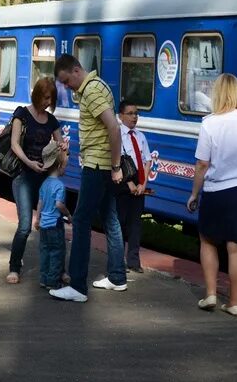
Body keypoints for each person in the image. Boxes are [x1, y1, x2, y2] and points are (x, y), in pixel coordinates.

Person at [187, 73, 237, 316]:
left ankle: (211, 293)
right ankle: (234, 303)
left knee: (208, 240)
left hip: (216, 190)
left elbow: (202, 164)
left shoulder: (210, 123)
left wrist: (194, 194)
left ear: (218, 94)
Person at [50, 54, 126, 302]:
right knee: (110, 218)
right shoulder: (98, 85)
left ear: (75, 70)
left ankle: (78, 286)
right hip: (102, 164)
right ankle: (117, 276)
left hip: (97, 164)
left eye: (66, 80)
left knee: (81, 221)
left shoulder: (92, 91)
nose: (65, 86)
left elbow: (113, 128)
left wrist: (116, 166)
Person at [5, 76, 64, 284]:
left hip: (44, 178)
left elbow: (61, 146)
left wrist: (63, 150)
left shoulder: (52, 121)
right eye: (46, 98)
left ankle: (58, 269)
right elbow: (14, 144)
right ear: (37, 95)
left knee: (53, 225)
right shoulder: (22, 113)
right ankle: (14, 267)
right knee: (24, 226)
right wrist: (29, 163)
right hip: (23, 175)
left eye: (51, 99)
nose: (48, 102)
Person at [116, 101, 152, 273]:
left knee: (135, 224)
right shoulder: (117, 135)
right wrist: (128, 183)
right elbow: (117, 161)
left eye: (136, 113)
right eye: (130, 113)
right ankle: (118, 260)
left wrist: (142, 183)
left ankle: (134, 261)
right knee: (121, 222)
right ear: (120, 116)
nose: (134, 117)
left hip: (138, 182)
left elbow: (147, 160)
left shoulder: (140, 136)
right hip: (123, 182)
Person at [33, 140, 71, 290]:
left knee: (45, 252)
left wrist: (38, 219)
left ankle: (43, 278)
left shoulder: (44, 184)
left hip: (44, 225)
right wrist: (68, 214)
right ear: (60, 165)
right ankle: (53, 281)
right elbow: (59, 205)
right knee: (57, 252)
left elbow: (40, 203)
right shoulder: (60, 186)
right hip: (55, 224)